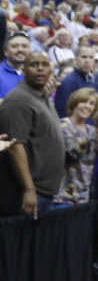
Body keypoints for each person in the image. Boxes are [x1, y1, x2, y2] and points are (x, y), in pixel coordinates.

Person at [0, 52, 64, 217]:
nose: (40, 69)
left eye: (44, 64)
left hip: (44, 192)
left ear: (51, 70)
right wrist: (29, 189)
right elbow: (14, 145)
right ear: (24, 70)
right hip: (27, 193)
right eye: (34, 64)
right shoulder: (18, 100)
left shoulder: (43, 98)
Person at [54, 87, 98, 205]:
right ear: (74, 103)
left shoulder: (90, 129)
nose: (87, 106)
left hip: (84, 195)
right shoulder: (63, 125)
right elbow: (74, 152)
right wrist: (96, 132)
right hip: (63, 196)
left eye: (92, 103)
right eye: (83, 101)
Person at [53, 45, 96, 118]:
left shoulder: (91, 81)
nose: (87, 61)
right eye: (84, 57)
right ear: (76, 60)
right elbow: (62, 112)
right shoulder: (68, 82)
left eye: (91, 57)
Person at [0, 32, 30, 100]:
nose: (20, 50)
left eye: (24, 46)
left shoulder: (35, 74)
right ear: (5, 51)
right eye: (14, 46)